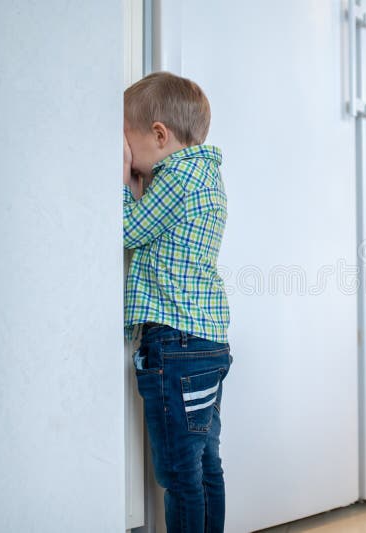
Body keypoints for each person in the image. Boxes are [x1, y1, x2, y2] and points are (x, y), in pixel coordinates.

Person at [123, 71, 232, 533]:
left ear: (160, 135)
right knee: (206, 464)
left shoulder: (176, 177)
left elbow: (129, 228)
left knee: (179, 474)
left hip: (176, 346)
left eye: (129, 144)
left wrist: (120, 179)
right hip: (206, 343)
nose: (131, 157)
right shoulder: (205, 175)